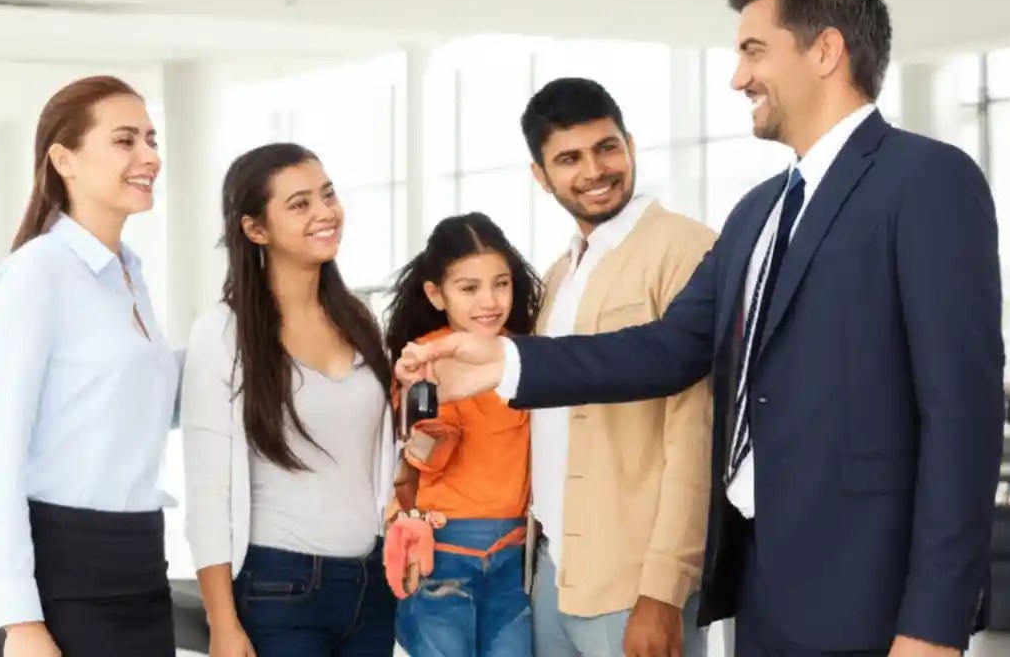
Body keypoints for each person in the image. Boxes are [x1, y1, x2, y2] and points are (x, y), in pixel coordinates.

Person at [395, 0, 1003, 657]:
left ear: (825, 51)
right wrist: (504, 362)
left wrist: (933, 624)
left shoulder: (926, 179)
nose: (738, 76)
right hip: (763, 584)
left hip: (868, 590)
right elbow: (666, 349)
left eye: (754, 50)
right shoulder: (757, 212)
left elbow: (962, 419)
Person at [0, 75, 181, 657]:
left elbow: (137, 401)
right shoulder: (38, 272)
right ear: (64, 160)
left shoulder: (129, 274)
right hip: (61, 578)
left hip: (139, 563)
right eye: (125, 140)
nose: (149, 156)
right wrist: (18, 620)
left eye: (151, 139)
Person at [515, 77, 715, 657]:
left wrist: (663, 591)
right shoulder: (560, 273)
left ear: (629, 144)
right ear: (541, 176)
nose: (595, 170)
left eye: (606, 148)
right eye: (569, 159)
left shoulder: (687, 250)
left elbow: (695, 434)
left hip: (634, 588)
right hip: (552, 574)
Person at [181, 142, 399, 657]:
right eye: (299, 204)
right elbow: (207, 493)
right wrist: (222, 623)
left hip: (371, 586)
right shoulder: (223, 332)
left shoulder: (361, 321)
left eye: (328, 194)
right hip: (279, 589)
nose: (325, 212)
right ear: (256, 229)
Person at [381, 212, 543, 657]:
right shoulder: (423, 357)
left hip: (512, 554)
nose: (489, 301)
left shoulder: (526, 357)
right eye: (469, 288)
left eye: (501, 284)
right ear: (437, 294)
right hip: (442, 551)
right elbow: (422, 461)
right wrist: (422, 408)